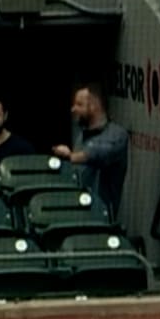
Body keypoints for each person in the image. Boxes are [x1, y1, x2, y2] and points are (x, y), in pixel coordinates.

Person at [51, 83, 129, 219]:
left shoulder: (117, 135)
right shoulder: (82, 135)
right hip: (76, 212)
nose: (73, 109)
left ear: (94, 106)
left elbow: (98, 154)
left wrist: (70, 156)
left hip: (100, 217)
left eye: (79, 104)